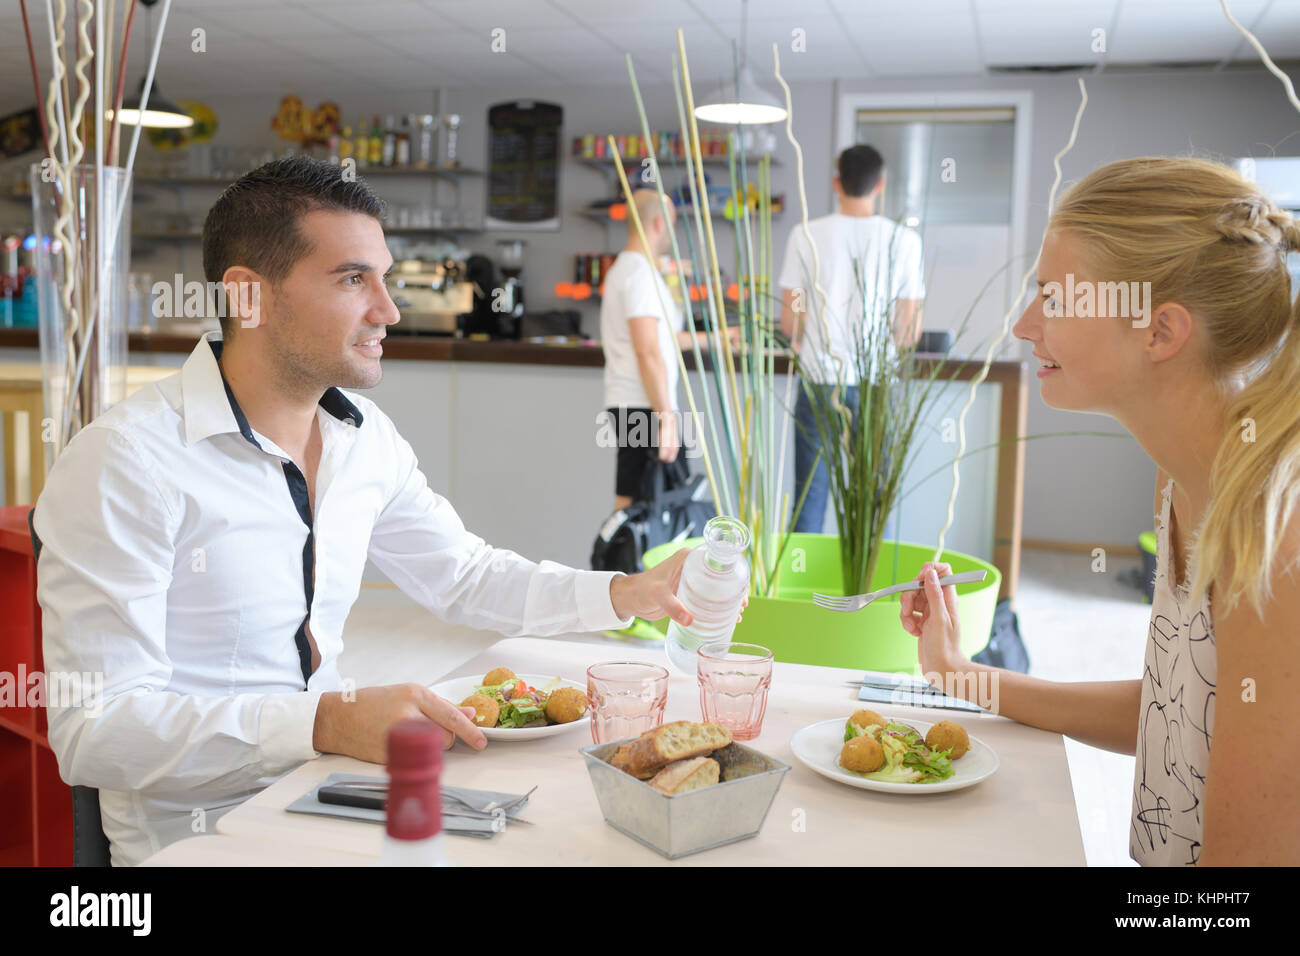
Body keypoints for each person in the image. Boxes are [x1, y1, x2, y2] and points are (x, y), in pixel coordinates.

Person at [34, 157, 698, 866]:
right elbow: (93, 729)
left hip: (335, 796)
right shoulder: (125, 461)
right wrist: (324, 721)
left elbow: (465, 576)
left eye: (384, 277)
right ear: (249, 296)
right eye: (354, 279)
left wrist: (629, 592)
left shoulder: (362, 437)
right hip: (207, 842)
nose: (388, 309)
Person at [899, 157, 1300, 866]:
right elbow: (1175, 712)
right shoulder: (1178, 484)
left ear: (1159, 332)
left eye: (1052, 297)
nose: (1025, 326)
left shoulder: (1274, 533)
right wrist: (956, 672)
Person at [778, 144, 925, 533]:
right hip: (874, 384)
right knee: (874, 501)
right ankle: (875, 593)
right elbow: (908, 332)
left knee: (809, 496)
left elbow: (789, 322)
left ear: (836, 183)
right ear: (880, 184)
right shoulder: (905, 242)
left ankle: (802, 590)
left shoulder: (804, 235)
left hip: (818, 381)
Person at [599, 189, 737, 513]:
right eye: (672, 225)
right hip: (644, 408)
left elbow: (665, 339)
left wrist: (718, 338)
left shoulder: (630, 270)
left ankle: (629, 564)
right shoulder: (640, 275)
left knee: (644, 507)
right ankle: (624, 564)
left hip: (640, 405)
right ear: (659, 224)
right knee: (639, 513)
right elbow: (647, 350)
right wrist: (667, 419)